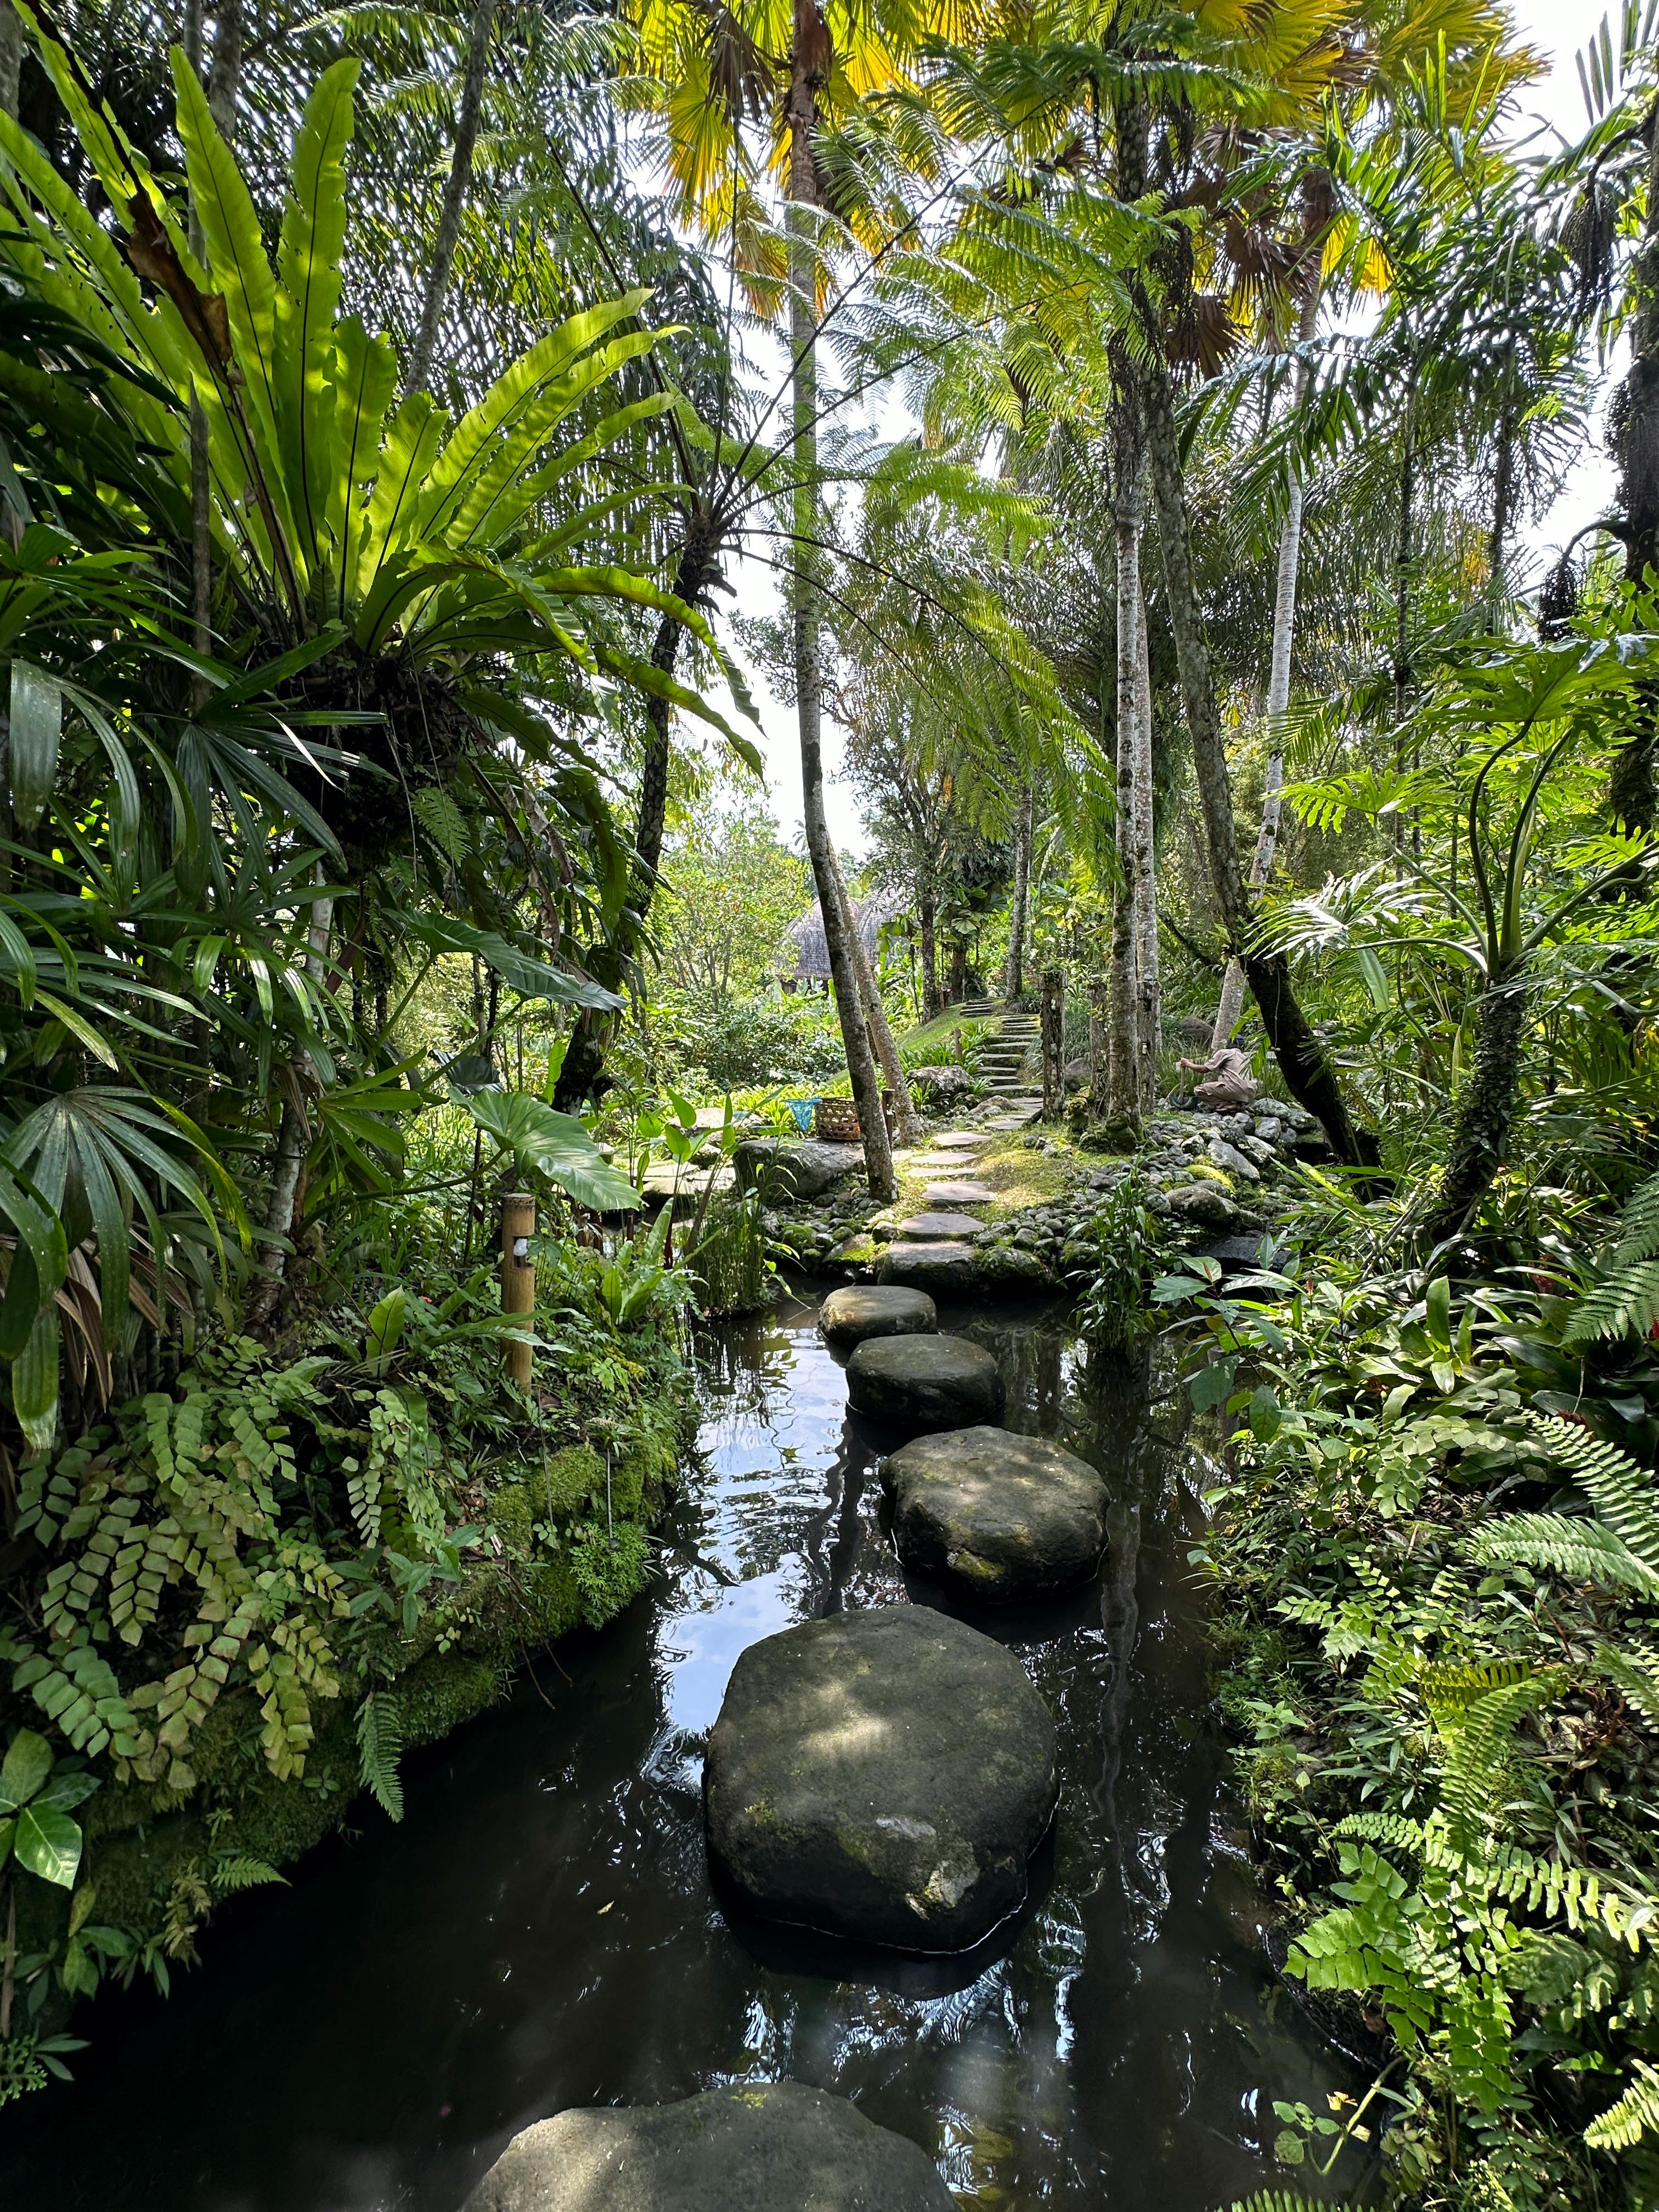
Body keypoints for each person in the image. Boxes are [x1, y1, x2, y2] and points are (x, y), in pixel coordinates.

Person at [1177, 1044, 1260, 1110]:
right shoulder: (1248, 1059)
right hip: (1251, 1093)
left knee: (1199, 1090)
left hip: (1235, 1089)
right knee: (1225, 1080)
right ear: (1243, 1048)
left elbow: (1204, 1070)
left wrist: (1188, 1064)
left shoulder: (1226, 1052)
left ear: (1228, 1046)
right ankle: (1240, 1105)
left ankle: (1230, 1105)